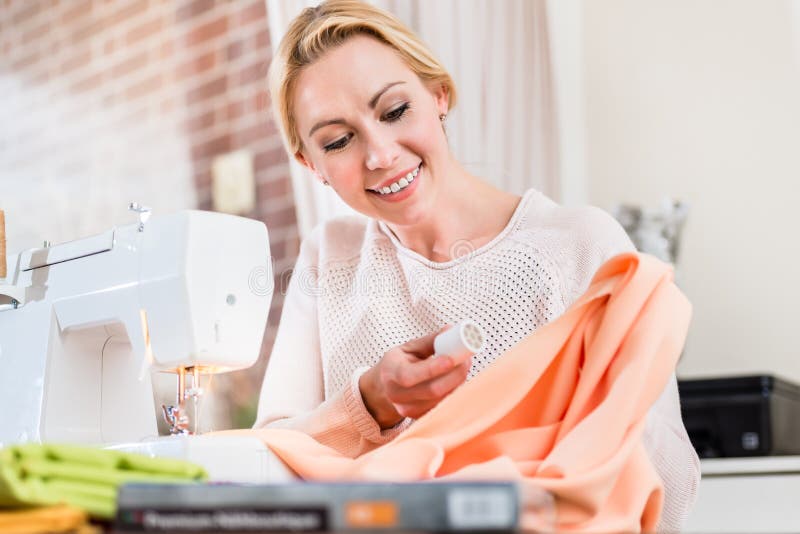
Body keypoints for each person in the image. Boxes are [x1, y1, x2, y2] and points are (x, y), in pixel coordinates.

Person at [255, 0, 700, 530]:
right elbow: (270, 459)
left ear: (438, 94)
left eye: (395, 111)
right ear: (312, 165)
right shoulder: (329, 258)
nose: (379, 154)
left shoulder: (579, 244)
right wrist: (371, 401)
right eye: (338, 140)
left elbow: (667, 488)